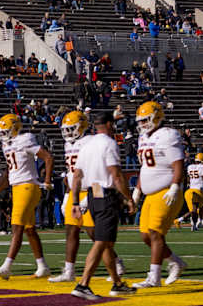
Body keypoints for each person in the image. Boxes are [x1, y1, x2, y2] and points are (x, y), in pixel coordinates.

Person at [50, 111, 125, 283]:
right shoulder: (68, 145)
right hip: (76, 191)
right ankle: (69, 270)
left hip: (92, 189)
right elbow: (71, 173)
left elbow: (97, 169)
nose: (68, 133)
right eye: (66, 130)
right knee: (71, 230)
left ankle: (116, 263)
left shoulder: (91, 141)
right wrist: (70, 195)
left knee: (95, 233)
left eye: (72, 129)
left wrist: (90, 194)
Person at [69, 112, 136, 300]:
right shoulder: (109, 143)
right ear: (108, 124)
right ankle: (83, 284)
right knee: (101, 241)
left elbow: (76, 176)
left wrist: (75, 202)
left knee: (106, 241)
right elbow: (115, 174)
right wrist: (129, 197)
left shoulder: (86, 145)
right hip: (105, 194)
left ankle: (117, 283)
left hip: (93, 193)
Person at [0, 114, 54, 279]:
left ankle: (6, 267)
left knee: (16, 227)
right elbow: (10, 170)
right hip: (17, 187)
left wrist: (46, 181)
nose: (3, 135)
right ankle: (42, 266)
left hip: (28, 186)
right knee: (29, 230)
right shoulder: (7, 145)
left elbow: (47, 157)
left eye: (6, 131)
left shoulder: (25, 140)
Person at [131, 101, 188, 287]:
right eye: (141, 120)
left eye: (146, 120)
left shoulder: (168, 135)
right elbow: (145, 168)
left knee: (155, 233)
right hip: (150, 193)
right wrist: (137, 190)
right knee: (146, 236)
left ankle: (154, 277)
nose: (143, 124)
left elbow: (178, 164)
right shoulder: (143, 138)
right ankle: (175, 262)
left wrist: (174, 186)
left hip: (166, 191)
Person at [185, 153, 203, 231]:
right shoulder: (202, 166)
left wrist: (189, 183)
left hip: (192, 189)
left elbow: (188, 178)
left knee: (194, 208)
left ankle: (194, 225)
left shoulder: (190, 166)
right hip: (200, 189)